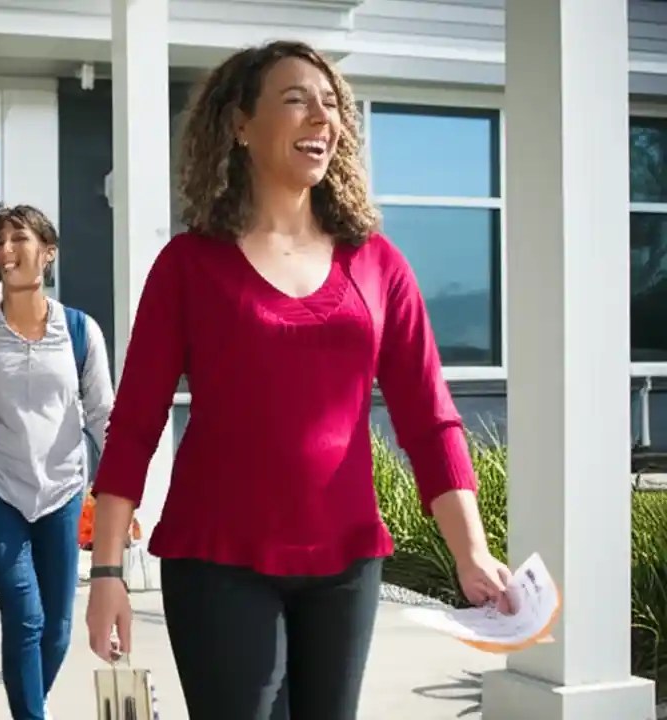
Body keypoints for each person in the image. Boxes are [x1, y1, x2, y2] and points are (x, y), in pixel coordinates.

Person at [83, 40, 515, 720]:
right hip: (218, 559)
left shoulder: (377, 264)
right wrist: (107, 571)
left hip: (345, 565)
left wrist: (474, 553)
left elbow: (429, 417)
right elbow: (134, 422)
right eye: (295, 100)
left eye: (331, 103)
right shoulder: (189, 265)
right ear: (240, 126)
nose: (322, 116)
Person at [0, 203, 114, 720]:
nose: (4, 251)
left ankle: (31, 704)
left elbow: (103, 414)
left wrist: (124, 489)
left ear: (48, 253)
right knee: (25, 616)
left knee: (57, 627)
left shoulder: (80, 331)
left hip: (60, 491)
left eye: (18, 240)